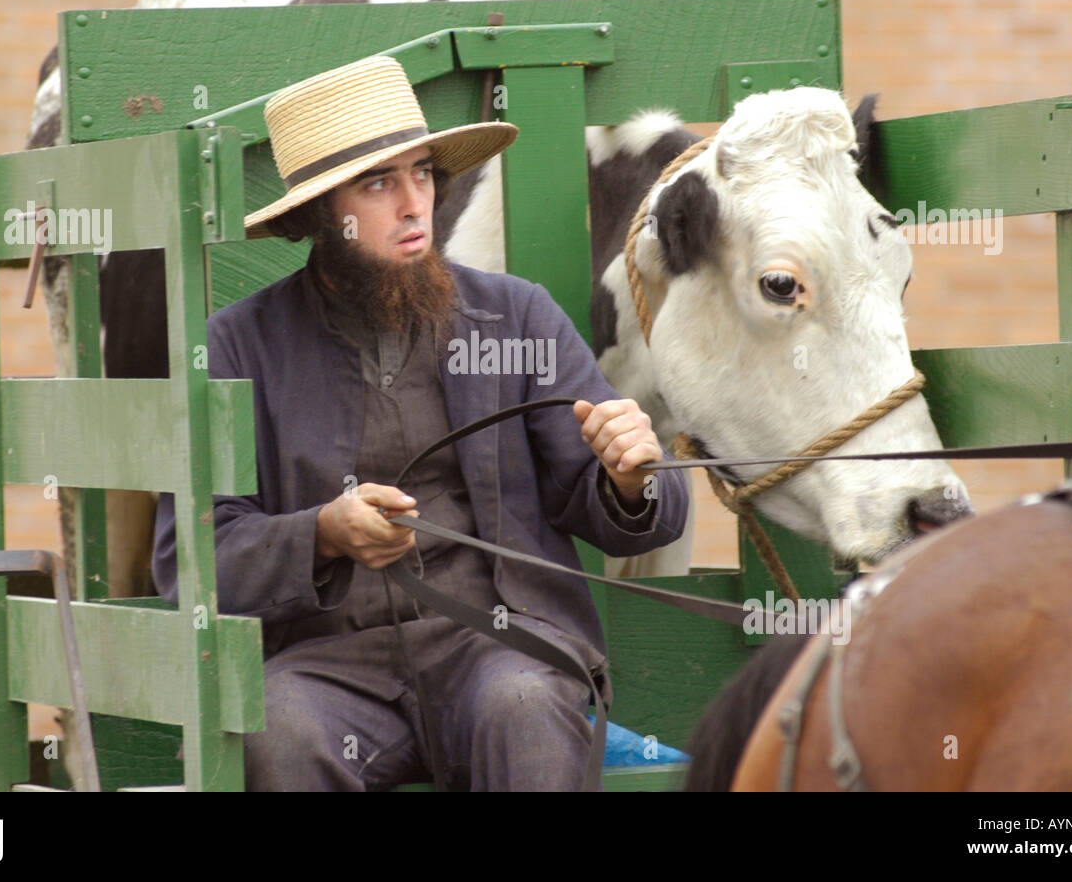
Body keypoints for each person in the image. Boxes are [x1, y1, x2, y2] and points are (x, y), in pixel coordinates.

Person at [151, 54, 689, 791]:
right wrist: (322, 533)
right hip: (326, 667)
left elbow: (618, 503)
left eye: (423, 173)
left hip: (500, 648)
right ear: (318, 213)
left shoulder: (516, 315)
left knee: (527, 707)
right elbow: (188, 562)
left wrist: (631, 480)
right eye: (378, 183)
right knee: (279, 730)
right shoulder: (239, 345)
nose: (414, 204)